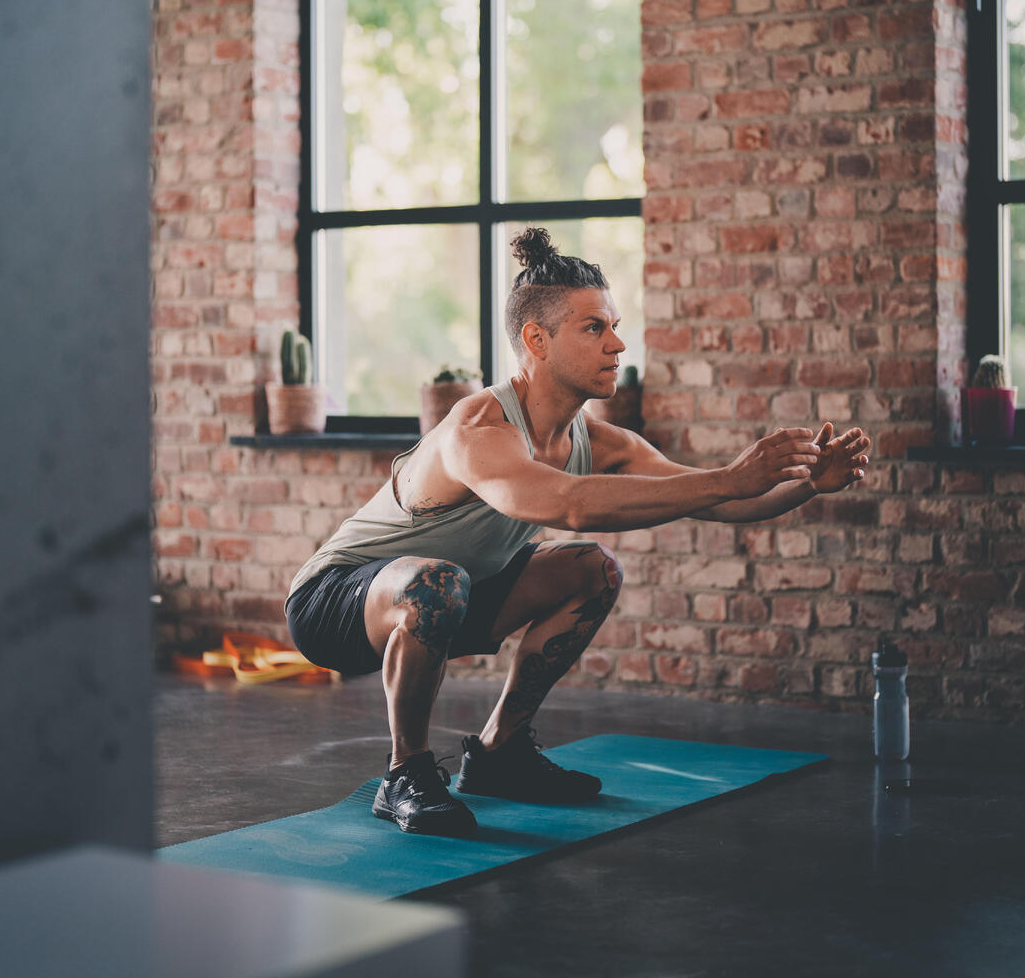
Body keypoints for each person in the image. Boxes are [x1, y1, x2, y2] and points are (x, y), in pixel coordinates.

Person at [284, 227, 872, 837]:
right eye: (594, 328)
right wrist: (730, 477)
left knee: (593, 569)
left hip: (458, 596)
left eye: (614, 325)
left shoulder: (601, 441)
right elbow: (569, 505)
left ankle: (499, 753)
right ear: (535, 340)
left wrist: (806, 484)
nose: (617, 343)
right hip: (339, 604)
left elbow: (720, 502)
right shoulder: (478, 429)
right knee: (439, 582)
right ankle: (405, 773)